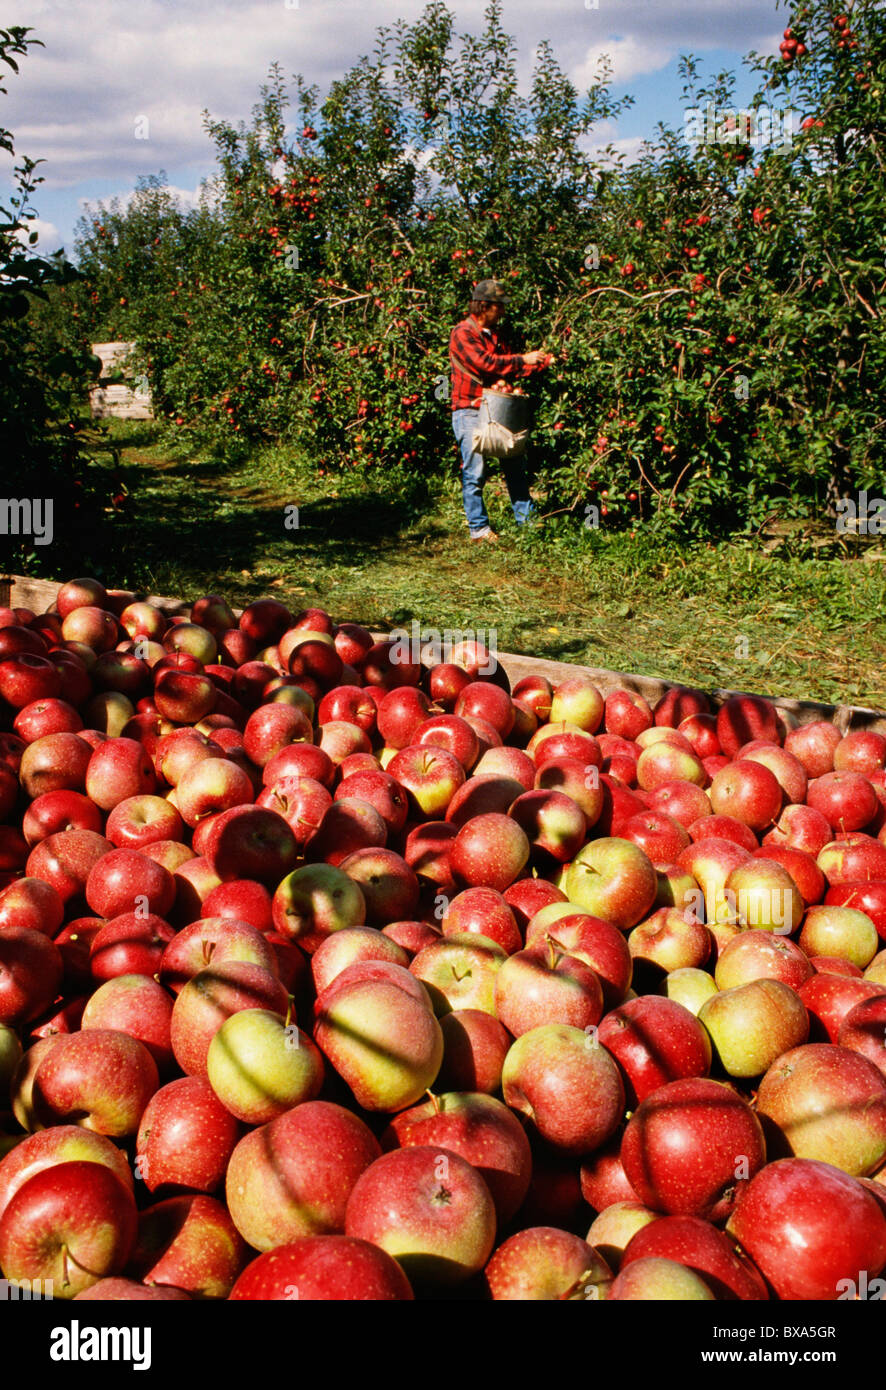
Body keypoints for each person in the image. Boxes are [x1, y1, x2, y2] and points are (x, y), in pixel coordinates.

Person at [449, 279, 552, 541]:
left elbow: (509, 367)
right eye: (499, 307)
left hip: (497, 408)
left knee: (515, 464)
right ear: (484, 306)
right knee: (475, 471)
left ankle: (527, 522)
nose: (502, 312)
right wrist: (522, 358)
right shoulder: (462, 333)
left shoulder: (494, 336)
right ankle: (479, 529)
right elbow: (485, 364)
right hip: (469, 409)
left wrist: (543, 362)